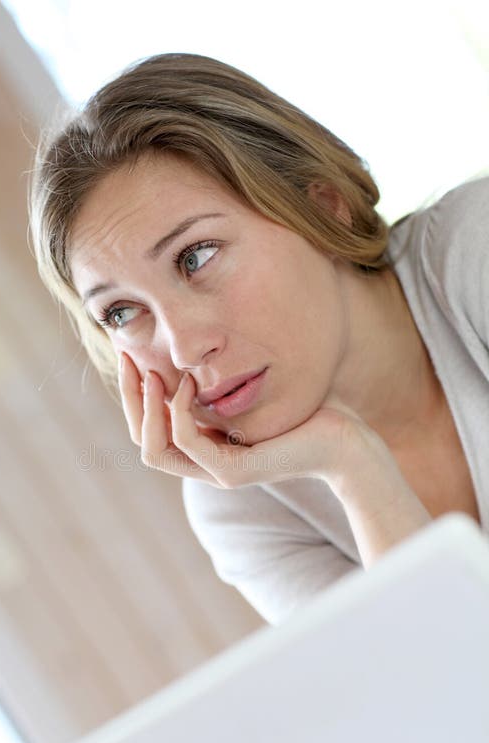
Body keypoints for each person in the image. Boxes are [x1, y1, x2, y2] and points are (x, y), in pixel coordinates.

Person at [29, 53, 488, 624]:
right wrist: (350, 463)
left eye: (195, 257)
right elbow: (453, 691)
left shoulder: (477, 250)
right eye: (122, 312)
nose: (183, 348)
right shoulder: (241, 505)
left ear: (322, 209)